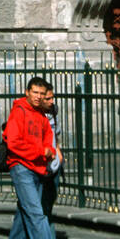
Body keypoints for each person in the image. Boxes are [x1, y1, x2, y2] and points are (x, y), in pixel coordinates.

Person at [0, 75, 67, 239]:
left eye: (41, 93)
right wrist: (42, 150)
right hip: (21, 167)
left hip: (38, 168)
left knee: (25, 214)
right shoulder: (19, 111)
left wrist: (49, 151)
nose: (38, 97)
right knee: (36, 213)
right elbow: (14, 143)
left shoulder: (41, 115)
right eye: (35, 93)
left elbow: (49, 140)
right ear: (27, 92)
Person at [40, 84, 65, 220]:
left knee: (50, 199)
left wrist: (58, 151)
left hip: (54, 162)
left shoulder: (53, 111)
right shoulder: (35, 114)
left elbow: (56, 133)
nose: (52, 101)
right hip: (40, 163)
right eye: (48, 99)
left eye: (52, 98)